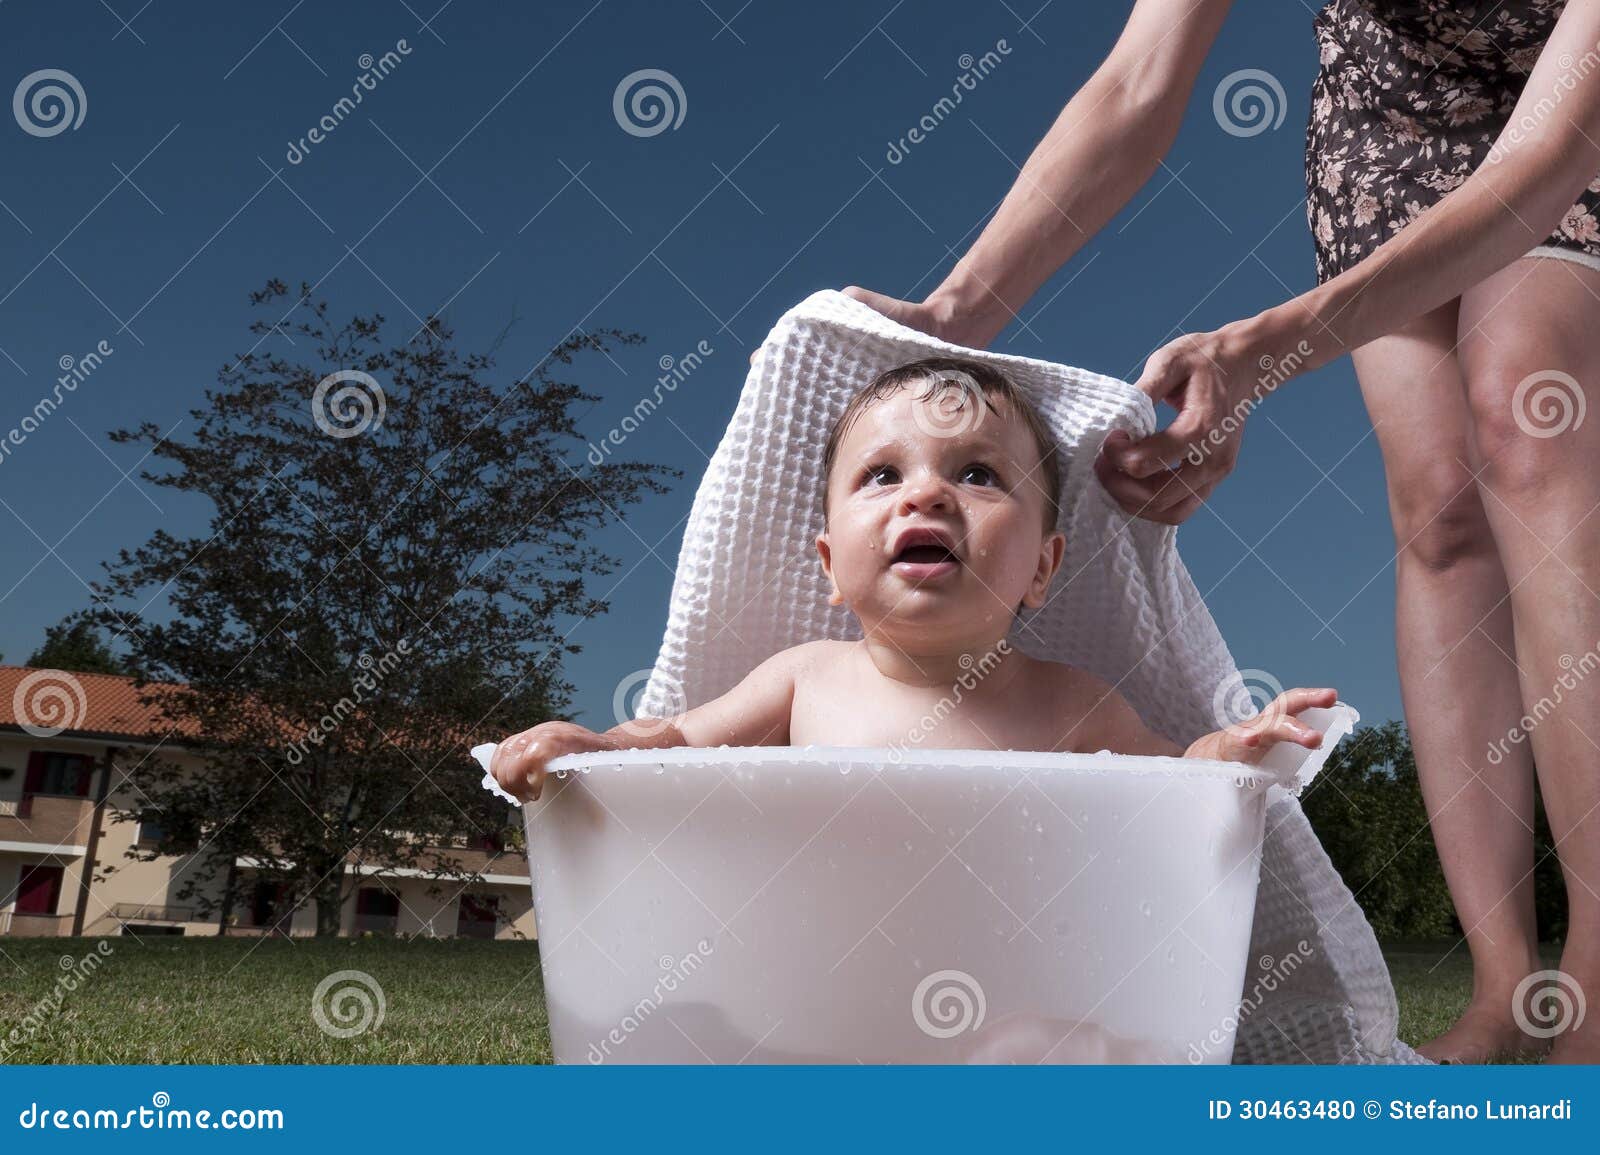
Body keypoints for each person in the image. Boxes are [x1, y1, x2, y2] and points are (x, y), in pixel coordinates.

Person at [842, 0, 1600, 1064]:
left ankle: (1594, 991)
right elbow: (1136, 83)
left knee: (1523, 414)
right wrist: (958, 312)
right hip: (1393, 119)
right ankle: (1501, 983)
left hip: (1570, 113)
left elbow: (1547, 156)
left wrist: (1264, 353)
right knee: (1439, 509)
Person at [490, 357, 1334, 799]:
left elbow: (1179, 788)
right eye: (882, 475)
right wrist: (593, 747)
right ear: (829, 566)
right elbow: (674, 742)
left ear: (1042, 568)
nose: (926, 491)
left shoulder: (1072, 704)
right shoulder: (803, 680)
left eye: (977, 474)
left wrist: (1233, 747)